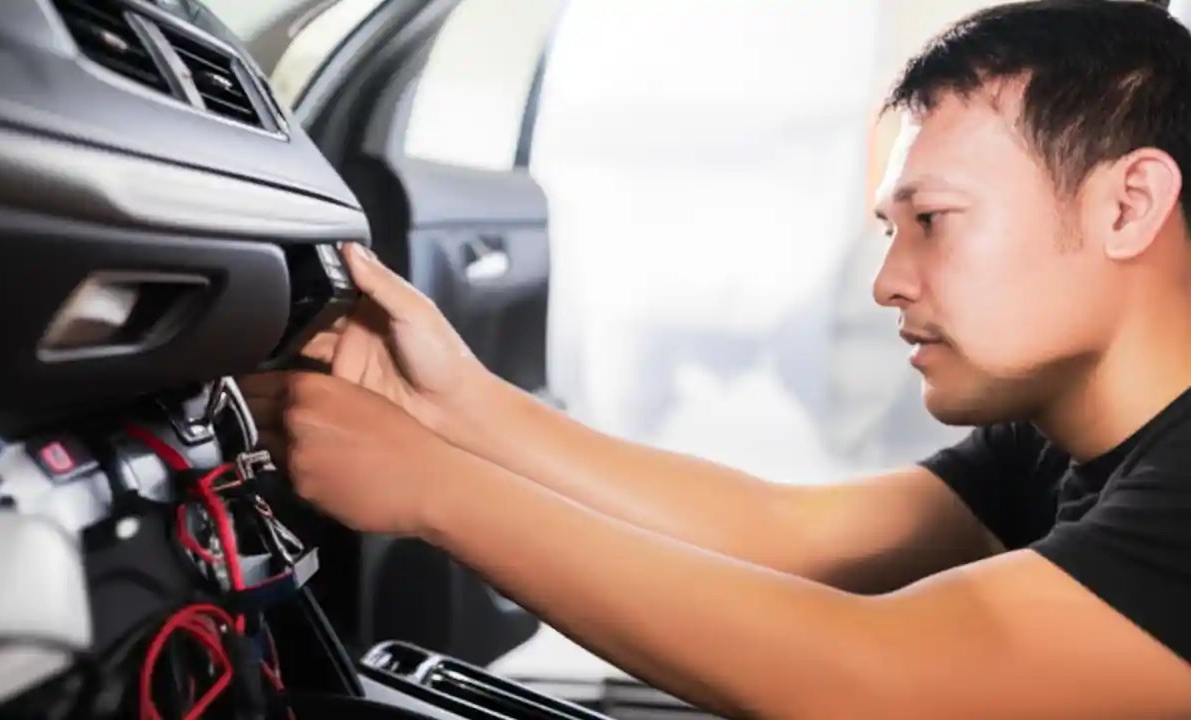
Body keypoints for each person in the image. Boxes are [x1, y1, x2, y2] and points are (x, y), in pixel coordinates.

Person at [242, 1, 1191, 716]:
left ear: (1127, 205)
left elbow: (868, 681)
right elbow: (792, 538)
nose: (888, 283)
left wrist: (432, 489)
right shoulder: (1052, 437)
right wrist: (458, 406)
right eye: (888, 230)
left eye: (933, 221)